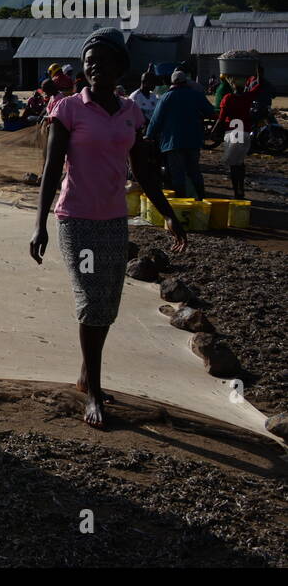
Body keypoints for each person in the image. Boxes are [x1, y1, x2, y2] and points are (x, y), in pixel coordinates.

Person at [30, 27, 185, 429]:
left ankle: (86, 375)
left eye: (103, 60)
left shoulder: (131, 113)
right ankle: (95, 392)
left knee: (108, 304)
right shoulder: (67, 109)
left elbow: (145, 171)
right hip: (77, 222)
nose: (95, 66)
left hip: (114, 222)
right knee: (90, 300)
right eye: (89, 61)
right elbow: (50, 171)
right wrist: (39, 225)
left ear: (120, 67)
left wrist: (167, 212)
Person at [146, 69, 215, 199]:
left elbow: (156, 120)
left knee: (177, 175)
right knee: (194, 172)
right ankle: (202, 199)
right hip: (193, 141)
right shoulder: (196, 95)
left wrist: (149, 136)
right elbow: (210, 112)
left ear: (172, 82)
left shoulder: (166, 97)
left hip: (173, 143)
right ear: (185, 82)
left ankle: (181, 202)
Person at [214, 76, 255, 200]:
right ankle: (240, 189)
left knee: (233, 165)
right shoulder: (247, 98)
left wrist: (214, 131)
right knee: (240, 163)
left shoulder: (228, 98)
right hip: (245, 132)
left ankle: (237, 192)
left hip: (234, 132)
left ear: (232, 85)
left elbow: (221, 118)